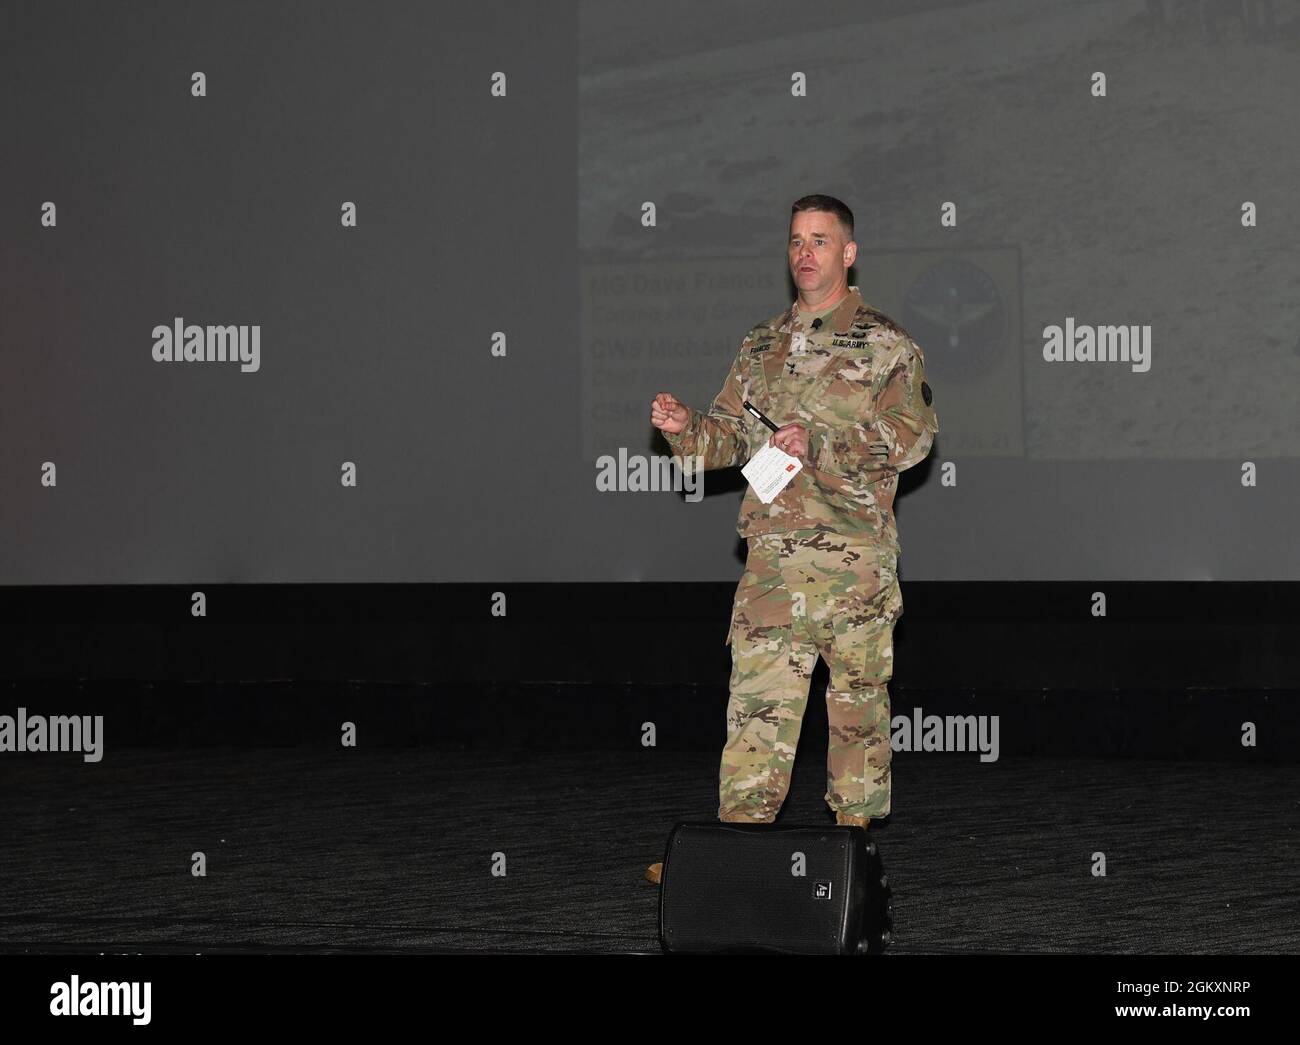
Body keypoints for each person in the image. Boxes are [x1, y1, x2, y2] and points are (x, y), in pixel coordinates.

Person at [644, 194, 938, 885]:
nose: (805, 252)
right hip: (774, 562)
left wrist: (822, 444)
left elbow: (913, 438)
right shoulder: (761, 344)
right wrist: (686, 428)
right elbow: (729, 439)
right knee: (757, 708)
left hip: (853, 562)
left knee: (857, 709)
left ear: (848, 253)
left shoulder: (885, 343)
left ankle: (851, 861)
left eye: (820, 240)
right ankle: (734, 859)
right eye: (797, 240)